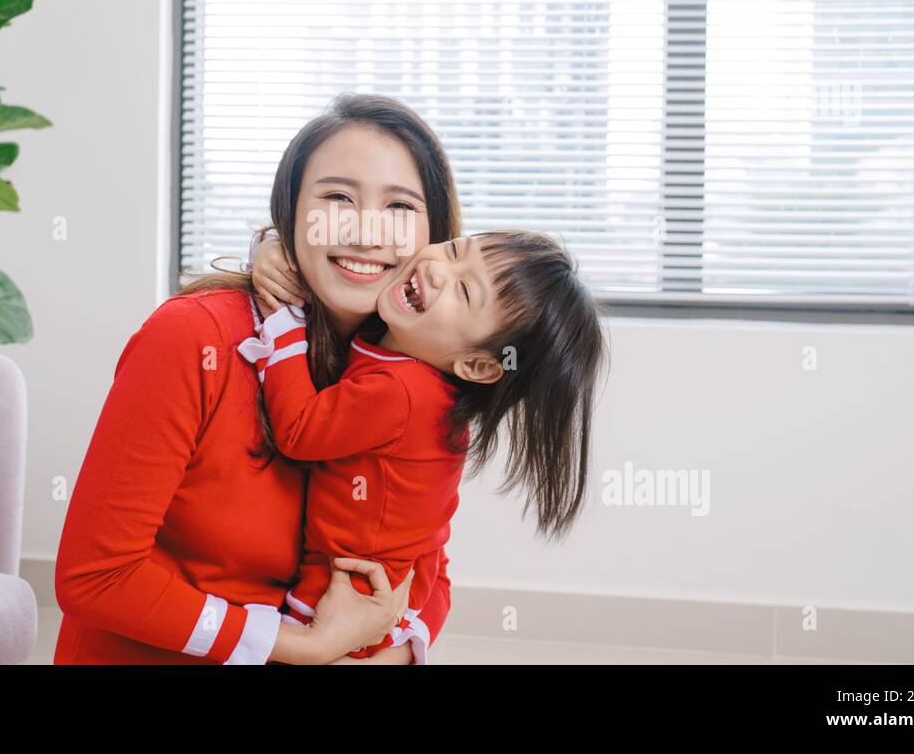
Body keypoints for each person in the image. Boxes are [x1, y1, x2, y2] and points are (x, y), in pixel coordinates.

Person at [53, 93, 462, 663]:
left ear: (434, 238)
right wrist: (304, 647)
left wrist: (393, 655)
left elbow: (427, 563)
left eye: (400, 207)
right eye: (337, 198)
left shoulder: (414, 376)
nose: (369, 233)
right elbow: (96, 576)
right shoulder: (193, 338)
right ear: (290, 211)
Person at [240, 231, 605, 661]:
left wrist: (283, 321)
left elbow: (299, 430)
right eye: (454, 250)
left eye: (464, 291)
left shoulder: (403, 393)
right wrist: (270, 246)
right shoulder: (418, 370)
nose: (436, 268)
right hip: (385, 599)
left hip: (337, 593)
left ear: (476, 364)